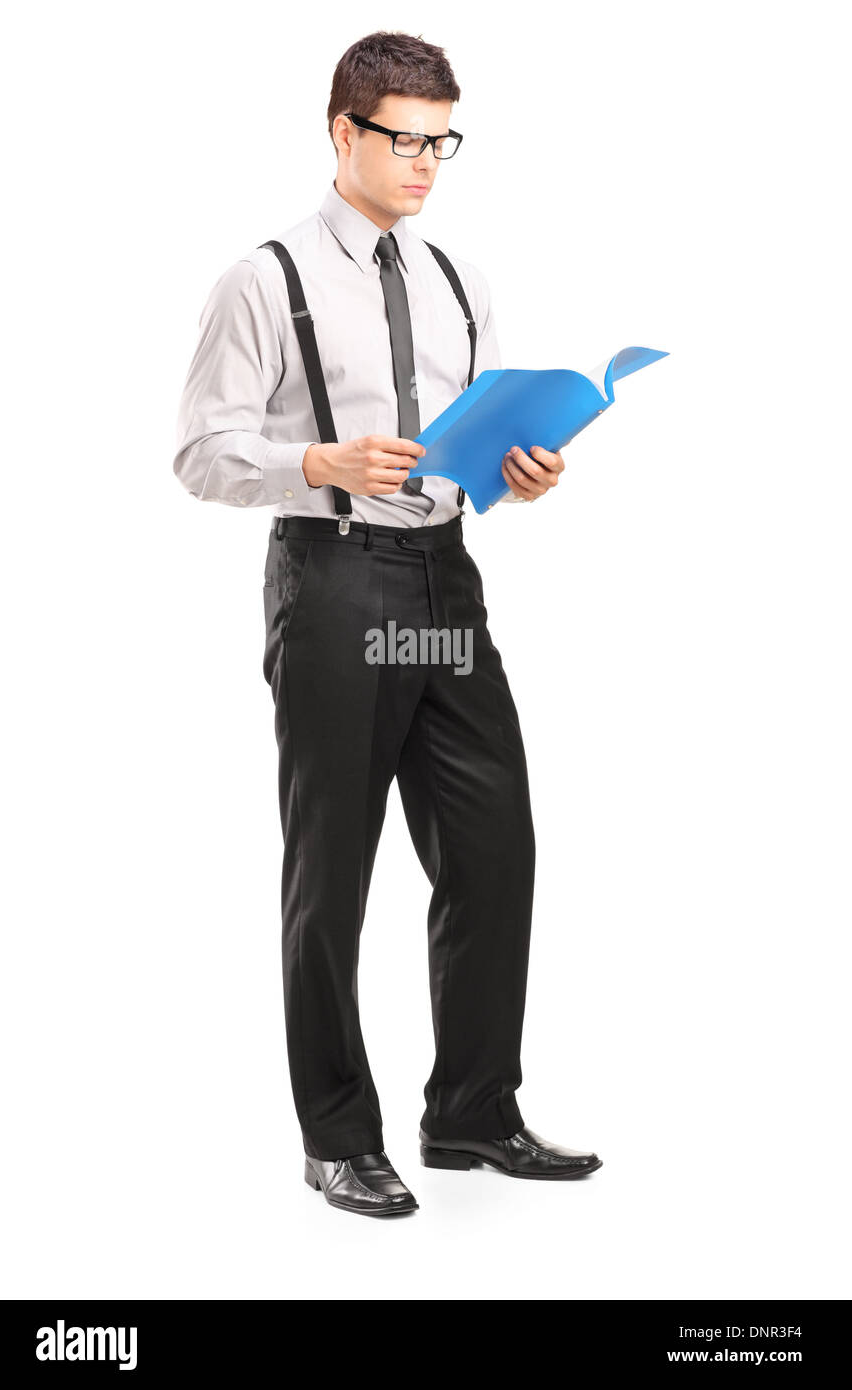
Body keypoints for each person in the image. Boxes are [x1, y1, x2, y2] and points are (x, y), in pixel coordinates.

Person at [173, 29, 602, 1219]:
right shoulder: (266, 278)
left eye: (439, 141)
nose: (424, 164)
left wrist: (521, 469)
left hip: (439, 586)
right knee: (333, 873)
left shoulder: (452, 277)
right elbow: (201, 453)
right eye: (403, 141)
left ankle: (470, 1114)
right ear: (341, 131)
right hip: (334, 582)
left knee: (491, 847)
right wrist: (319, 460)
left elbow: (480, 441)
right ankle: (336, 1135)